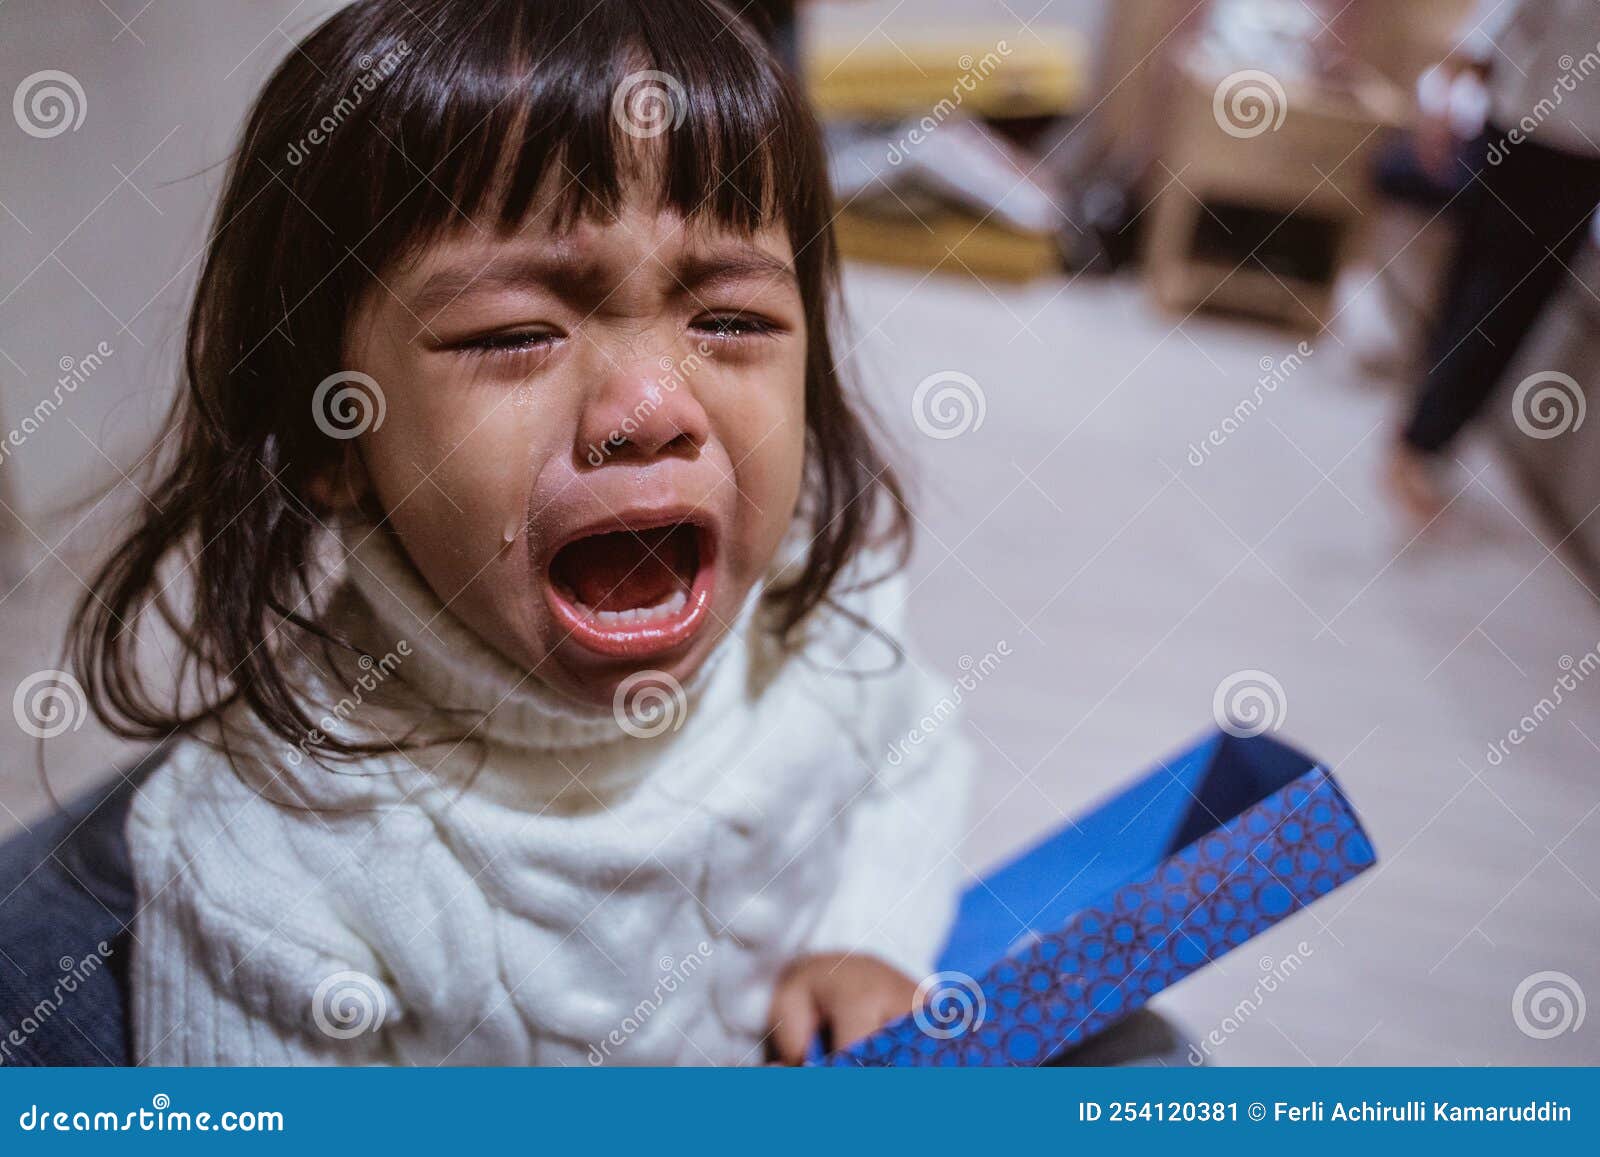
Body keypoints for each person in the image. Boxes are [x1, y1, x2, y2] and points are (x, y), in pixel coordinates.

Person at [68, 0, 972, 1066]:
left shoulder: (815, 634)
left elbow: (913, 756)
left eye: (729, 320)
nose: (648, 407)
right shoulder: (268, 855)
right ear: (332, 431)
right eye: (513, 333)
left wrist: (864, 934)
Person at [1388, 0, 1600, 521]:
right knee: (1497, 309)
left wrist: (1444, 97)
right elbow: (1494, 24)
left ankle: (1419, 433)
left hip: (1516, 133)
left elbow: (1490, 25)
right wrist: (1443, 97)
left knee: (1477, 294)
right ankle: (1419, 444)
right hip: (1556, 150)